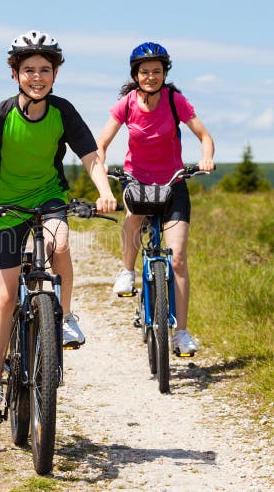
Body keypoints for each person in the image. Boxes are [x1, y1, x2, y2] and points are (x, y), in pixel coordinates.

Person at [0, 30, 117, 426]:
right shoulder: (0, 115)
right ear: (14, 74)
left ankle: (63, 317)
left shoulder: (63, 112)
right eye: (28, 70)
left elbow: (90, 156)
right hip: (6, 206)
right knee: (4, 297)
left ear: (55, 74)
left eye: (44, 70)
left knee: (59, 243)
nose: (37, 77)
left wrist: (104, 192)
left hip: (49, 197)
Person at [96, 41, 215, 356]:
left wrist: (206, 158)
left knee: (178, 259)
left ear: (165, 73)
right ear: (136, 74)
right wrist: (101, 162)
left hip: (173, 182)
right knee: (134, 216)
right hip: (137, 179)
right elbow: (101, 142)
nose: (151, 76)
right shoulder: (127, 104)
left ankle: (182, 333)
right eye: (145, 71)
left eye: (157, 71)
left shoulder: (175, 101)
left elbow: (204, 136)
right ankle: (127, 270)